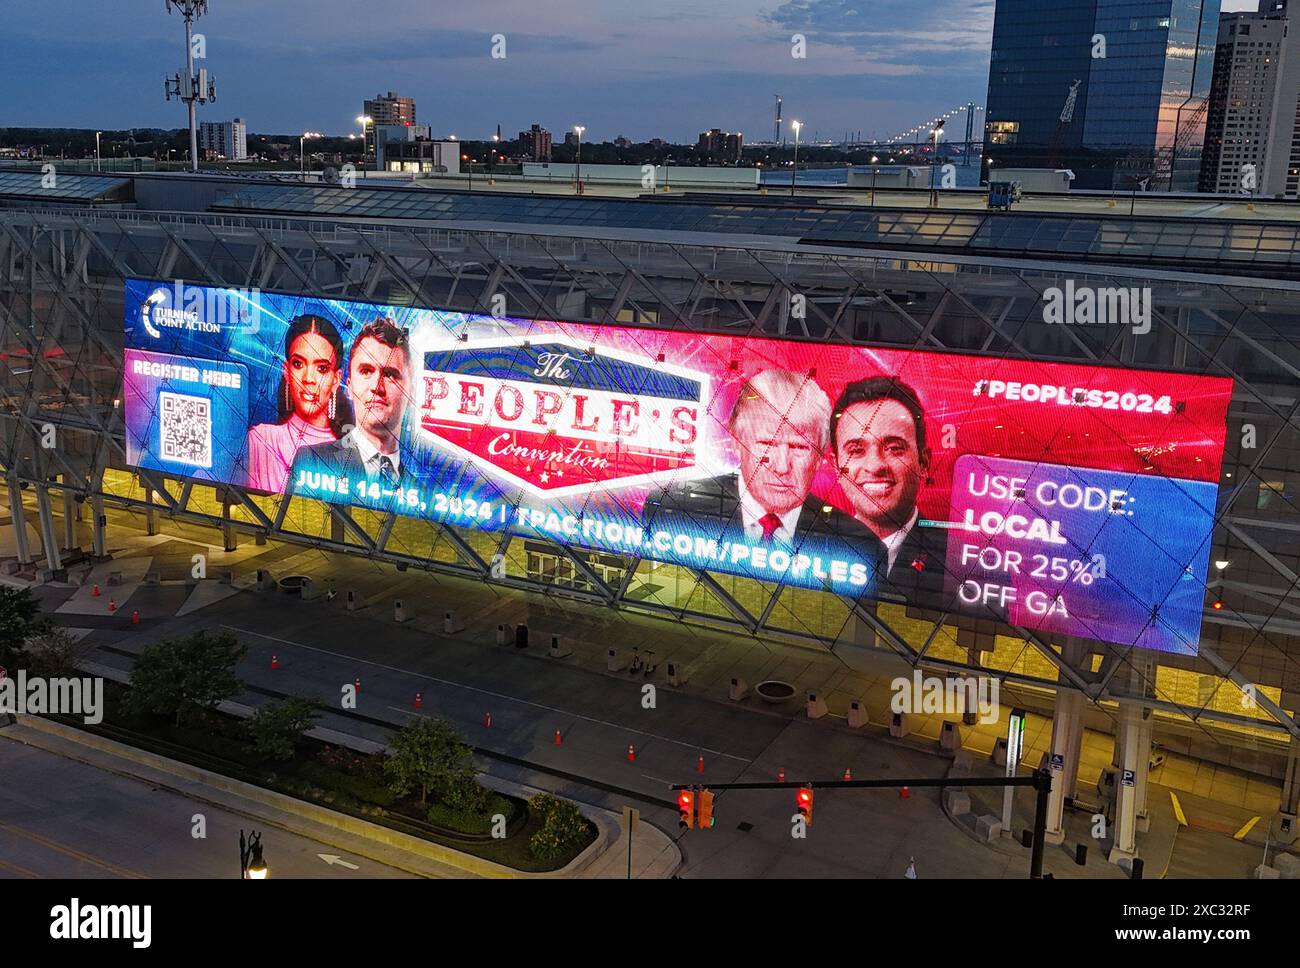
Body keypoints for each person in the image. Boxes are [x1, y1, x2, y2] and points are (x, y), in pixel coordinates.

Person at [644, 369, 882, 558]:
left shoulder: (858, 544)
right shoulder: (670, 508)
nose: (781, 467)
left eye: (799, 447)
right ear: (736, 442)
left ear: (820, 456)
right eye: (766, 444)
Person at [829, 376, 946, 601]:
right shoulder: (809, 541)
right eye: (856, 450)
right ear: (837, 467)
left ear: (923, 462)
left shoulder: (968, 565)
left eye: (894, 448)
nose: (875, 466)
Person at [291, 316, 414, 492]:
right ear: (349, 386)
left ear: (410, 392)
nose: (376, 387)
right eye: (366, 371)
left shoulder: (421, 491)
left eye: (390, 375)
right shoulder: (313, 461)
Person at [245, 314, 350, 494]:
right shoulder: (259, 439)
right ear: (286, 371)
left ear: (336, 379)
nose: (308, 378)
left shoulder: (350, 454)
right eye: (298, 364)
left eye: (322, 368)